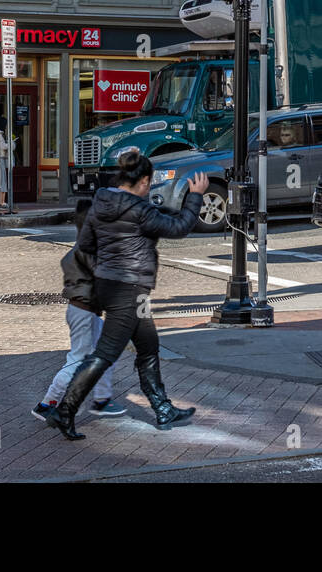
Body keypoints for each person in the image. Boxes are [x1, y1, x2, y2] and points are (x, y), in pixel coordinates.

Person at [43, 151, 208, 440]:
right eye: (150, 182)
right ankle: (64, 411)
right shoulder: (140, 210)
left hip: (116, 287)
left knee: (148, 346)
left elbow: (85, 244)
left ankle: (163, 407)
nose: (149, 187)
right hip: (130, 289)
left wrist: (109, 263)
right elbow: (180, 228)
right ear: (143, 180)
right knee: (105, 353)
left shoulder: (100, 204)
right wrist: (195, 195)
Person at [33, 200, 125, 424]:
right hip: (83, 311)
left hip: (85, 310)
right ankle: (47, 404)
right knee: (78, 360)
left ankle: (102, 399)